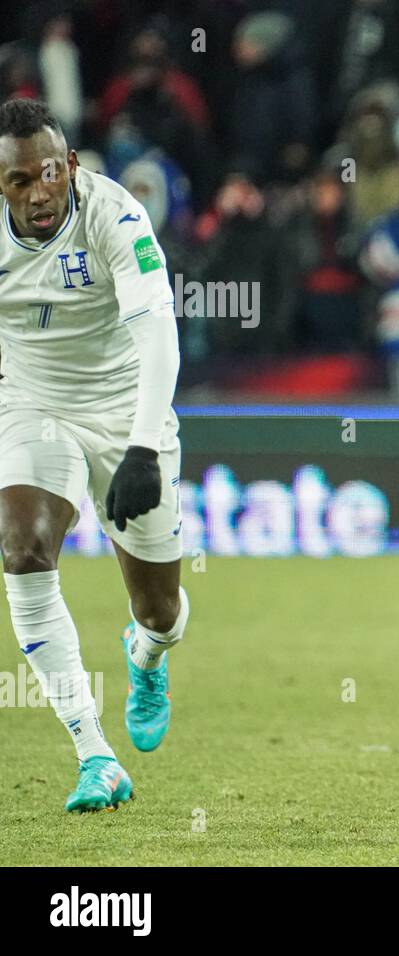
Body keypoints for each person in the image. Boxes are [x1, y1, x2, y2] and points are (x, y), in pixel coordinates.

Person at [0, 99, 190, 812]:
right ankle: (95, 755)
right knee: (22, 551)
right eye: (20, 181)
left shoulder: (115, 214)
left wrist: (142, 445)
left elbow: (157, 334)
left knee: (162, 610)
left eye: (50, 172)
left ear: (70, 165)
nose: (39, 191)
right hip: (32, 404)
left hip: (125, 409)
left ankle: (146, 659)